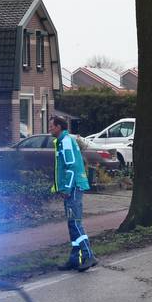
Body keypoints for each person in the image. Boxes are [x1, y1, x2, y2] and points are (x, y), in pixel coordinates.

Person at [49, 116, 94, 271]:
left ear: (59, 127)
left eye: (52, 127)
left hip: (73, 188)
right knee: (72, 223)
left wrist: (67, 189)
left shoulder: (66, 142)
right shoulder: (63, 141)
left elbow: (72, 167)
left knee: (75, 222)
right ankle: (75, 258)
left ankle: (89, 255)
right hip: (73, 187)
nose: (50, 129)